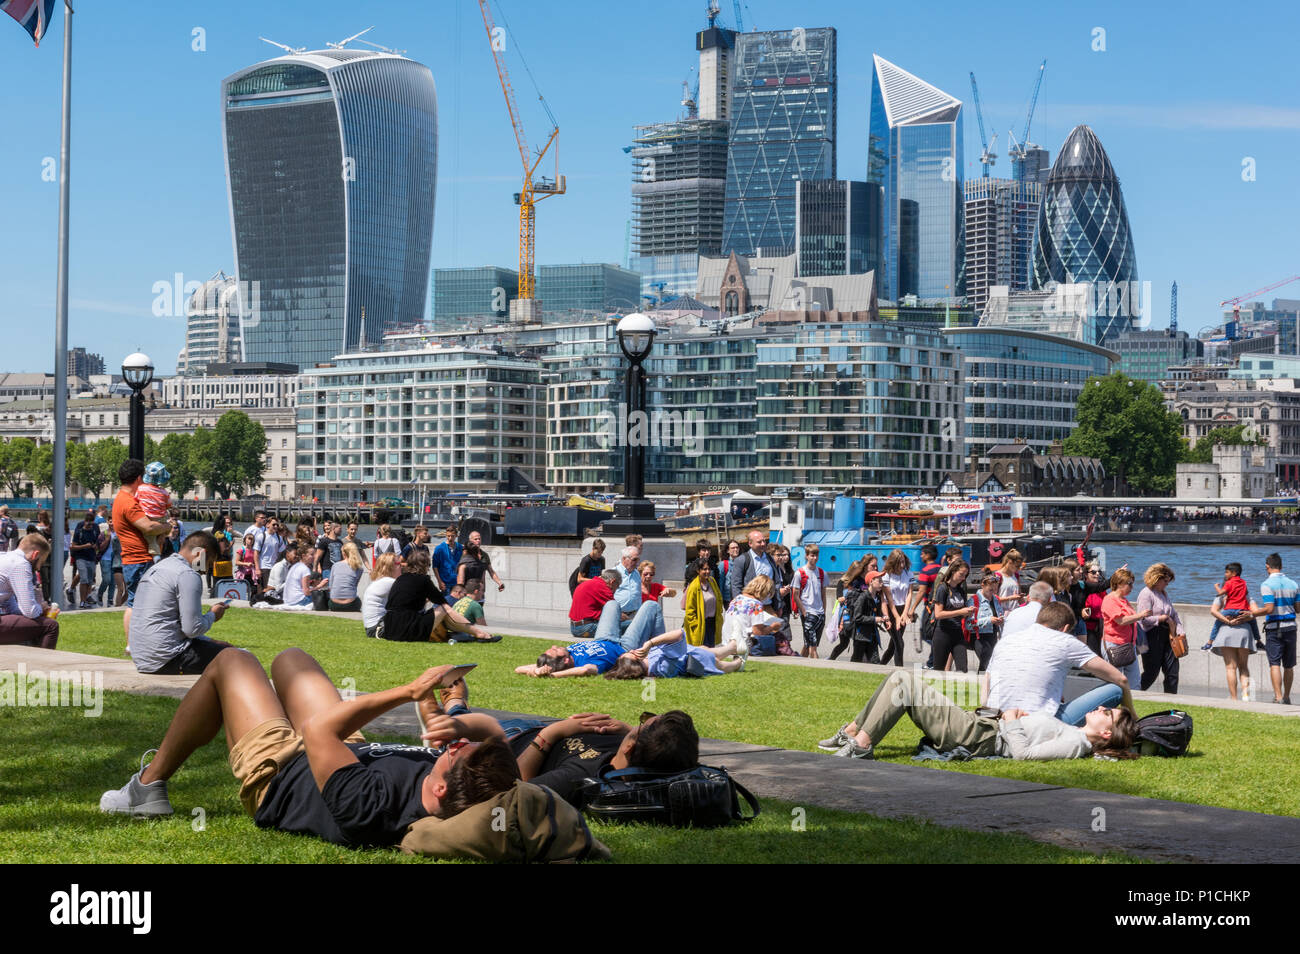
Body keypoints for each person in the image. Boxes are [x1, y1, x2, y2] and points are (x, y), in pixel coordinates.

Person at [100, 649, 522, 850]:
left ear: (443, 791)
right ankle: (256, 706)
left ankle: (148, 787)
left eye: (456, 752)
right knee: (291, 660)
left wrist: (409, 692)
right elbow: (495, 737)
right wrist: (455, 724)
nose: (457, 745)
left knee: (232, 662)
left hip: (281, 769)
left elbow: (320, 731)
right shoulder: (478, 786)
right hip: (346, 752)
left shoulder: (370, 806)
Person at [817, 668, 1137, 761]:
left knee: (903, 681)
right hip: (982, 726)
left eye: (1106, 713)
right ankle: (852, 732)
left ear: (1106, 733)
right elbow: (1029, 737)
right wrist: (1018, 718)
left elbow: (1023, 754)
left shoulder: (1075, 744)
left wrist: (1011, 723)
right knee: (896, 679)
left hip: (977, 736)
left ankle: (860, 745)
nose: (1098, 708)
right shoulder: (1072, 733)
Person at [983, 601, 1134, 727]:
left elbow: (987, 680)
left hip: (998, 717)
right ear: (1065, 628)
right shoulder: (1064, 641)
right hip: (1039, 723)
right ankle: (1130, 724)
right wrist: (1133, 716)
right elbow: (1121, 679)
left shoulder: (1007, 641)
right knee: (1115, 689)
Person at [510, 710, 699, 807]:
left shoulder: (578, 778)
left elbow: (514, 792)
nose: (634, 725)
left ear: (629, 748)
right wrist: (628, 731)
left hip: (510, 737)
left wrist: (550, 733)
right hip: (532, 727)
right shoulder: (652, 755)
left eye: (641, 723)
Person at [128, 531, 234, 675]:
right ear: (200, 554)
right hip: (168, 658)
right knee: (239, 658)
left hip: (143, 658)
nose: (207, 570)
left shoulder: (157, 567)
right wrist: (213, 615)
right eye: (209, 563)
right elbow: (192, 628)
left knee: (223, 650)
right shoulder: (188, 574)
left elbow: (174, 623)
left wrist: (210, 641)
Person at [113, 459, 171, 650]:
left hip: (133, 559)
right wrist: (167, 526)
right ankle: (132, 644)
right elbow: (148, 526)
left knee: (136, 601)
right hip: (138, 558)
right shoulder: (129, 502)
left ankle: (135, 643)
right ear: (139, 478)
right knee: (136, 603)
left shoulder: (121, 498)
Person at [1246, 552, 1297, 705]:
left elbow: (1269, 609)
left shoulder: (1266, 584)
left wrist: (1252, 613)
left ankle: (1278, 697)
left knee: (1274, 663)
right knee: (1289, 665)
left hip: (1275, 628)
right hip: (1291, 628)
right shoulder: (1294, 584)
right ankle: (1287, 697)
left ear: (1267, 567)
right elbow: (1298, 608)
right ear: (1281, 566)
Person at [603, 628, 746, 680]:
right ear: (637, 661)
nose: (632, 650)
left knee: (710, 651)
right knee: (725, 664)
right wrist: (650, 644)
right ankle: (739, 660)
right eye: (632, 653)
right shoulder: (659, 661)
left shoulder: (652, 671)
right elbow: (679, 633)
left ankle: (734, 648)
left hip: (695, 655)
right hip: (699, 659)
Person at [0, 533, 59, 648]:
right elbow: (30, 611)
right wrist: (41, 607)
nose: (38, 569)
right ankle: (42, 665)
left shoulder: (5, 557)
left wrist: (39, 612)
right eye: (40, 563)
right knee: (50, 626)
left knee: (36, 624)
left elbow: (14, 610)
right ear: (35, 554)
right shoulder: (20, 564)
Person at [1135, 563, 1185, 694]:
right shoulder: (1146, 594)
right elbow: (1143, 619)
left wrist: (1180, 630)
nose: (1168, 583)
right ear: (1156, 579)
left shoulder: (1164, 593)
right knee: (1152, 671)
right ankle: (1135, 693)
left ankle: (1171, 698)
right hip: (1152, 635)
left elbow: (1173, 614)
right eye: (1166, 580)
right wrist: (1161, 618)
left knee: (1172, 671)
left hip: (1168, 634)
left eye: (1169, 580)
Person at [1101, 567, 1150, 688]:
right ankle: (1111, 705)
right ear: (1119, 583)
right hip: (1115, 645)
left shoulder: (1123, 600)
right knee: (1114, 682)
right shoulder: (1109, 600)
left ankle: (1132, 704)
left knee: (1134, 681)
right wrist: (1141, 615)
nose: (1132, 587)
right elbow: (1120, 621)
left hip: (1128, 645)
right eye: (1129, 584)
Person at [1209, 584, 1257, 702]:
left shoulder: (1222, 595)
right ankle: (1245, 695)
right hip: (1244, 632)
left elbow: (1213, 611)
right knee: (1244, 666)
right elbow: (1255, 612)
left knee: (1231, 668)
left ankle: (1234, 698)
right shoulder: (1245, 594)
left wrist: (1228, 621)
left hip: (1226, 632)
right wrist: (1244, 618)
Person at [1204, 563, 1262, 652]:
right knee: (1253, 622)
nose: (1225, 574)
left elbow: (1220, 594)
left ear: (1233, 573)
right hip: (1242, 610)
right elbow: (1254, 610)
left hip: (1229, 610)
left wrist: (1216, 587)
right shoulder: (1243, 583)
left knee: (1217, 624)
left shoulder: (1229, 583)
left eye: (1227, 572)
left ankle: (1209, 643)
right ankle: (1258, 641)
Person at [930, 560, 973, 673]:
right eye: (961, 574)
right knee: (938, 670)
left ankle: (960, 690)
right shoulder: (942, 588)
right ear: (953, 571)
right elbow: (938, 614)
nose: (963, 578)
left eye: (965, 575)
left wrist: (968, 612)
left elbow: (961, 611)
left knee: (962, 669)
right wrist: (960, 612)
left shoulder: (960, 590)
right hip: (942, 633)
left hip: (957, 632)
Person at [721, 576, 781, 655]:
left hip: (726, 642)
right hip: (741, 644)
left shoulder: (737, 599)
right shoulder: (756, 604)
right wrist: (772, 627)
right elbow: (758, 632)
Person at [903, 544, 942, 655]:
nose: (921, 556)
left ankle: (941, 651)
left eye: (922, 554)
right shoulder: (940, 569)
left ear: (928, 555)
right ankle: (932, 661)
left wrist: (912, 608)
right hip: (940, 605)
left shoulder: (925, 571)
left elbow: (921, 591)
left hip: (930, 607)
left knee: (926, 634)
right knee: (935, 633)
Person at [727, 530, 777, 613]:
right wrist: (740, 606)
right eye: (759, 542)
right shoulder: (742, 560)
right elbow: (736, 585)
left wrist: (778, 605)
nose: (763, 544)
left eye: (764, 541)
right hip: (751, 607)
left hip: (768, 605)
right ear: (750, 544)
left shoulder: (770, 559)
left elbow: (776, 581)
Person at [794, 544, 828, 659]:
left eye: (816, 555)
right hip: (808, 612)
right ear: (807, 556)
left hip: (820, 613)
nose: (814, 558)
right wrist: (804, 612)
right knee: (813, 647)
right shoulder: (800, 573)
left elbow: (823, 594)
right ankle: (819, 668)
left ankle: (799, 663)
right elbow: (795, 594)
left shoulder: (822, 573)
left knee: (808, 643)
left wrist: (824, 611)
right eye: (812, 555)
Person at [135, 462, 175, 557]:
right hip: (161, 518)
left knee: (151, 539)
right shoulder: (164, 492)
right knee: (166, 521)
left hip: (147, 518)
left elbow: (135, 500)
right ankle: (162, 538)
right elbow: (169, 505)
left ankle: (155, 554)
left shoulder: (141, 488)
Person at [881, 549, 912, 667]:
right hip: (890, 610)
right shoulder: (886, 575)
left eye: (903, 562)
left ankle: (880, 665)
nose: (901, 565)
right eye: (899, 563)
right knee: (899, 643)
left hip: (902, 609)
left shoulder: (908, 573)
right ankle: (900, 670)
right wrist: (897, 617)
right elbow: (888, 598)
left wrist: (905, 613)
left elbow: (909, 594)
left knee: (893, 644)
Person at [682, 557, 723, 647]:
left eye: (708, 569)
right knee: (702, 651)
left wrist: (720, 613)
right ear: (698, 570)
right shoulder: (693, 587)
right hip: (700, 625)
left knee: (711, 651)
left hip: (712, 623)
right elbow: (689, 611)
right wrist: (695, 625)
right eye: (704, 569)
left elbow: (719, 597)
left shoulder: (712, 581)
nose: (707, 571)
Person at [970, 573, 1005, 672]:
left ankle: (981, 683)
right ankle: (983, 683)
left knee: (985, 666)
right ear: (983, 585)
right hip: (980, 637)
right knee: (987, 663)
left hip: (993, 635)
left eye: (995, 590)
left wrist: (1000, 620)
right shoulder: (974, 600)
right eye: (990, 590)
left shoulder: (996, 599)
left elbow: (999, 613)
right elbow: (969, 624)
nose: (993, 592)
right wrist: (989, 620)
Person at [569, 570, 619, 639]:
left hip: (574, 628)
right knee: (628, 625)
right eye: (617, 586)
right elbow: (615, 613)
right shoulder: (603, 587)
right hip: (587, 628)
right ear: (612, 582)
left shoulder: (588, 583)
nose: (616, 590)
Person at [361, 552, 400, 638]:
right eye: (398, 563)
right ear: (390, 566)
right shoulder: (388, 582)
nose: (402, 566)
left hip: (374, 628)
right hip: (379, 629)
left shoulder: (380, 581)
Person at [457, 530, 504, 600]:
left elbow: (491, 571)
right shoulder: (465, 555)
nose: (478, 541)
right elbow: (460, 577)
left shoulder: (484, 555)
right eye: (475, 539)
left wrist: (499, 583)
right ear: (470, 540)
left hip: (480, 592)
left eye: (479, 539)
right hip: (467, 593)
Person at [769, 544, 797, 655]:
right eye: (779, 555)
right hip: (774, 605)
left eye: (784, 555)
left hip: (783, 605)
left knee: (783, 631)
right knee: (780, 631)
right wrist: (779, 591)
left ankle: (785, 650)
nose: (781, 557)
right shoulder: (771, 568)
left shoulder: (782, 570)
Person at [70, 509, 101, 609]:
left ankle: (87, 597)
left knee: (89, 580)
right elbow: (73, 546)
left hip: (91, 557)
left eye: (92, 524)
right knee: (83, 578)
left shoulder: (96, 528)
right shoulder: (79, 529)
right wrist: (84, 546)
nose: (90, 526)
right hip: (80, 557)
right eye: (88, 524)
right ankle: (82, 601)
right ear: (85, 521)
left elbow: (98, 541)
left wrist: (96, 546)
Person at [327, 542, 365, 612]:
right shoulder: (359, 569)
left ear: (344, 553)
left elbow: (330, 587)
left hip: (334, 604)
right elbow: (354, 585)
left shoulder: (335, 565)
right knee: (358, 600)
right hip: (351, 604)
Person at [258, 518, 287, 599]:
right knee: (265, 588)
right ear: (267, 525)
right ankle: (262, 602)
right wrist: (257, 568)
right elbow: (256, 553)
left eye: (277, 525)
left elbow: (282, 552)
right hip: (264, 567)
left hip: (274, 567)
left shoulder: (279, 537)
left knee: (275, 588)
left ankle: (271, 602)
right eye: (273, 524)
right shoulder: (261, 536)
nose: (275, 526)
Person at [431, 525, 462, 592]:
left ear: (456, 536)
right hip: (445, 583)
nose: (450, 538)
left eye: (452, 536)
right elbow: (435, 566)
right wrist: (439, 581)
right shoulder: (439, 548)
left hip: (457, 582)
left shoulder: (460, 548)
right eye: (448, 536)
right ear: (446, 535)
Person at [719, 538, 742, 604]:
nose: (735, 549)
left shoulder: (743, 563)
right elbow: (720, 583)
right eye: (733, 548)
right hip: (728, 599)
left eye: (737, 547)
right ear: (728, 551)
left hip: (741, 598)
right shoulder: (723, 564)